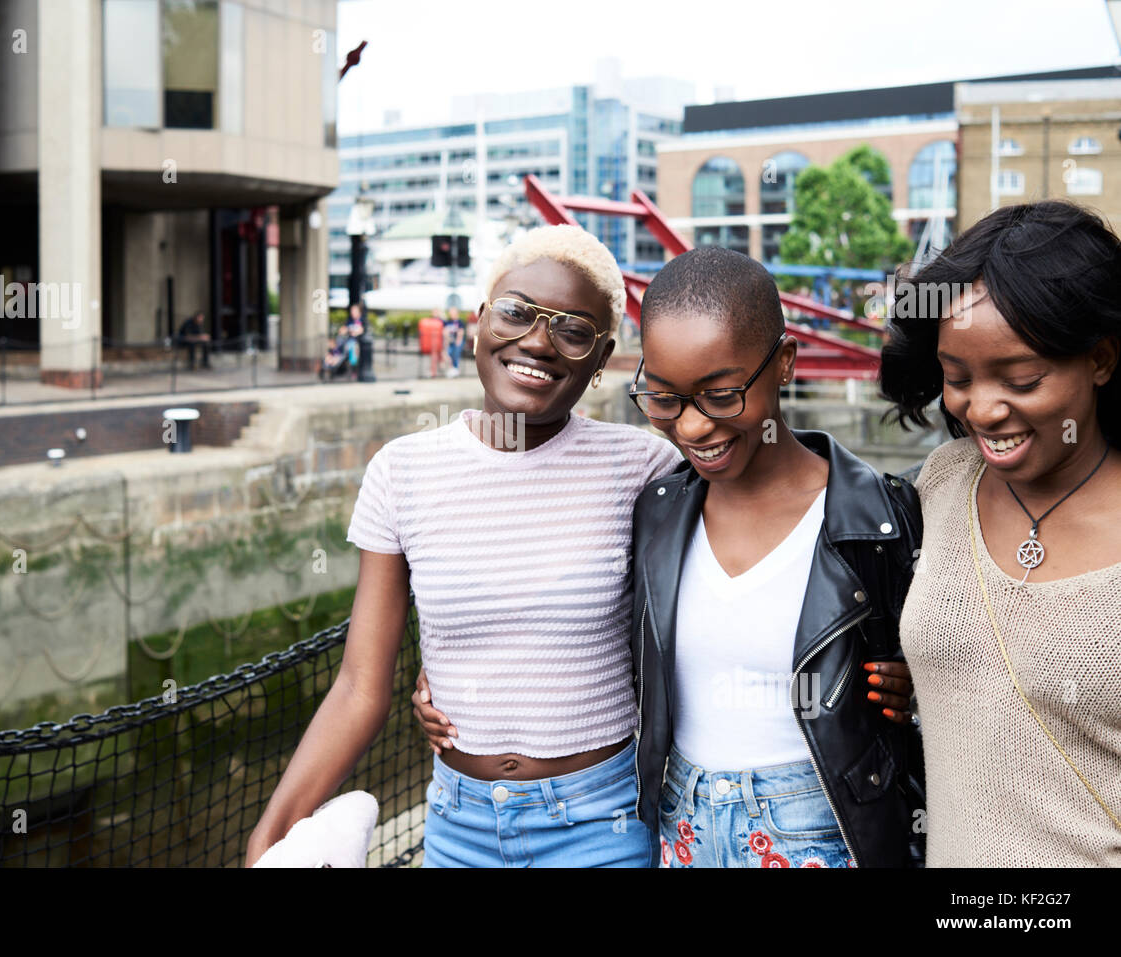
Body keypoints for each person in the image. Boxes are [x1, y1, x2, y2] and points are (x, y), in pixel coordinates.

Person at [412, 244, 918, 868]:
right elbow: (557, 593)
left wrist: (920, 687)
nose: (694, 428)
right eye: (664, 398)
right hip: (680, 827)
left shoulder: (880, 518)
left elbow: (949, 670)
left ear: (784, 363)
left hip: (823, 826)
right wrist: (454, 672)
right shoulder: (657, 505)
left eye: (721, 395)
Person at [246, 224, 683, 868]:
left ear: (601, 359)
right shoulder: (402, 471)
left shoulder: (644, 467)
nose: (537, 341)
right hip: (458, 828)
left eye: (573, 330)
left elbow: (712, 620)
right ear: (480, 321)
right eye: (516, 313)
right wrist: (269, 837)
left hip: (602, 821)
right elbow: (360, 686)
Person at [880, 200, 1121, 866]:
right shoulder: (944, 480)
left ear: (1100, 358)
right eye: (957, 378)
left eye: (1021, 379)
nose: (981, 409)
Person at [444, 307, 466, 377]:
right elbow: (445, 331)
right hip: (450, 341)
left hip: (457, 341)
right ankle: (451, 368)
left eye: (452, 313)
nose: (451, 314)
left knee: (455, 353)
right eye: (450, 313)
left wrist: (458, 341)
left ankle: (455, 368)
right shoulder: (448, 322)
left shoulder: (460, 322)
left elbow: (461, 332)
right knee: (448, 353)